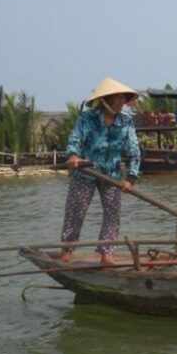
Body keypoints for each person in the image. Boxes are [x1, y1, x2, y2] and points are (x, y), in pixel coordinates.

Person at [60, 77, 141, 266]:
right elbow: (75, 140)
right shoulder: (87, 118)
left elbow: (134, 152)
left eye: (123, 99)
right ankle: (67, 250)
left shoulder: (125, 122)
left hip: (111, 175)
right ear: (106, 100)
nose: (122, 102)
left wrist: (131, 178)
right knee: (75, 212)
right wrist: (72, 156)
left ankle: (107, 253)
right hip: (86, 172)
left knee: (112, 215)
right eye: (118, 99)